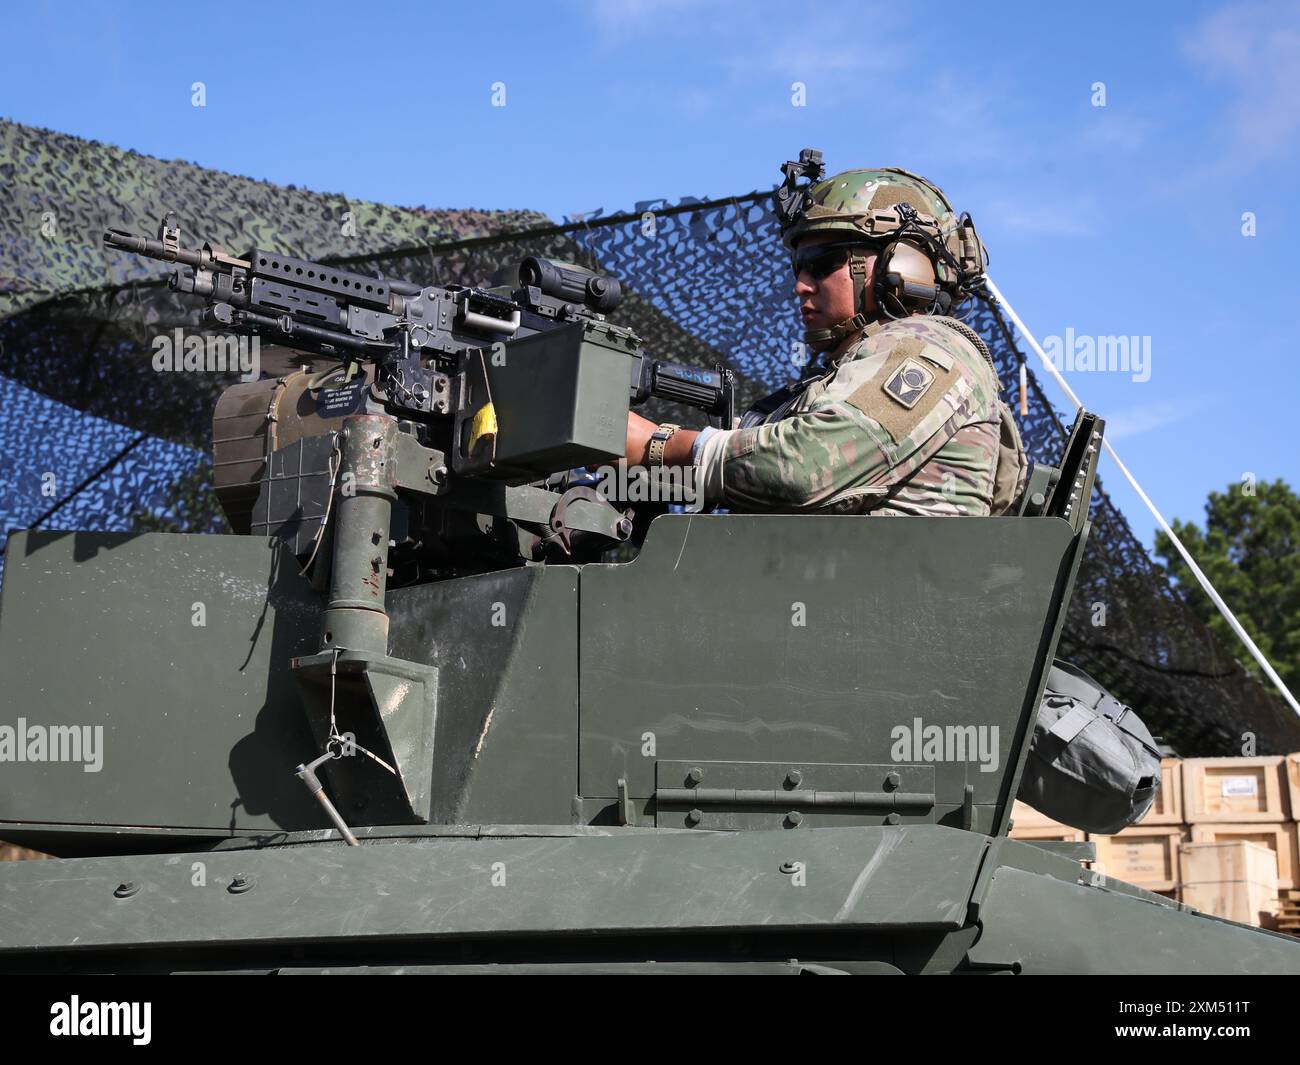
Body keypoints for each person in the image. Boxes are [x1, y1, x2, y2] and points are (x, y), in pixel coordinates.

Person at [623, 161, 1027, 515]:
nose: (800, 285)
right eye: (798, 266)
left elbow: (801, 467)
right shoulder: (851, 370)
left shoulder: (934, 350)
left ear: (902, 262)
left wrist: (655, 445)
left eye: (820, 264)